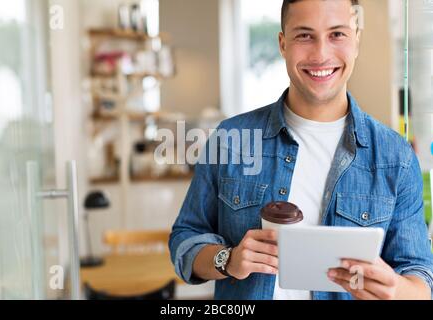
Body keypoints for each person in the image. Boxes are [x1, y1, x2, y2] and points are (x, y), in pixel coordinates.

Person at [169, 0, 433, 300]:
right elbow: (184, 240)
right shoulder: (230, 138)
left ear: (357, 40)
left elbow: (421, 279)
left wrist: (396, 290)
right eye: (304, 35)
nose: (321, 54)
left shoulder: (396, 156)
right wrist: (227, 260)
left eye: (337, 34)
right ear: (283, 44)